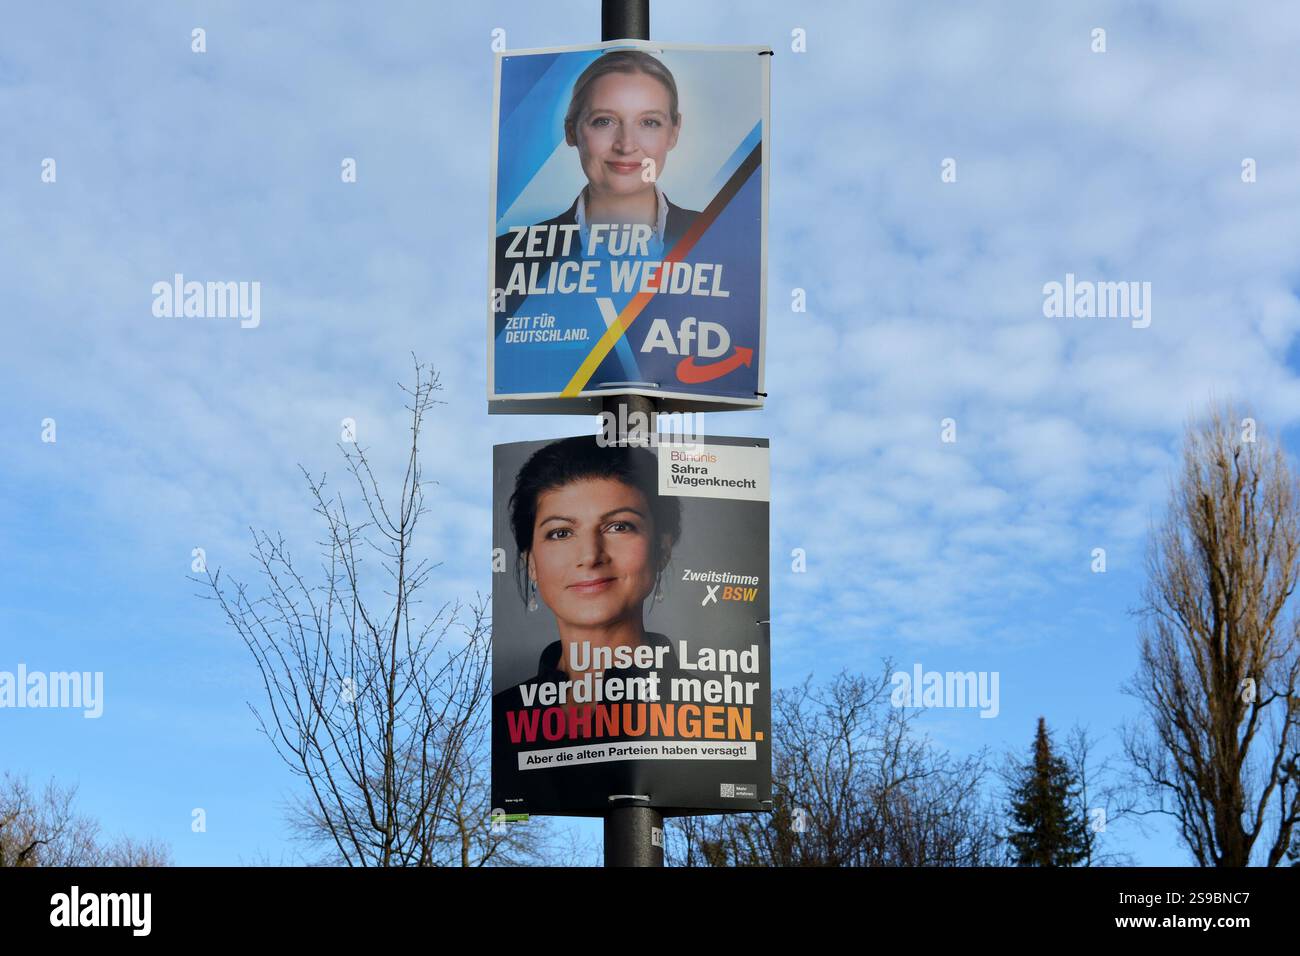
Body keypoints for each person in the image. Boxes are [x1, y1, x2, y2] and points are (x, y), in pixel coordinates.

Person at [492, 435, 685, 813]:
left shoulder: (719, 711)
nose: (590, 556)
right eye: (561, 532)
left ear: (661, 547)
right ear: (531, 563)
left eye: (619, 526)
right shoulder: (498, 722)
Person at [493, 50, 701, 324]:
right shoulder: (508, 258)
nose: (626, 144)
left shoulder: (717, 242)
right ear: (571, 131)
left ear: (673, 132)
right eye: (604, 121)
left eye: (649, 122)